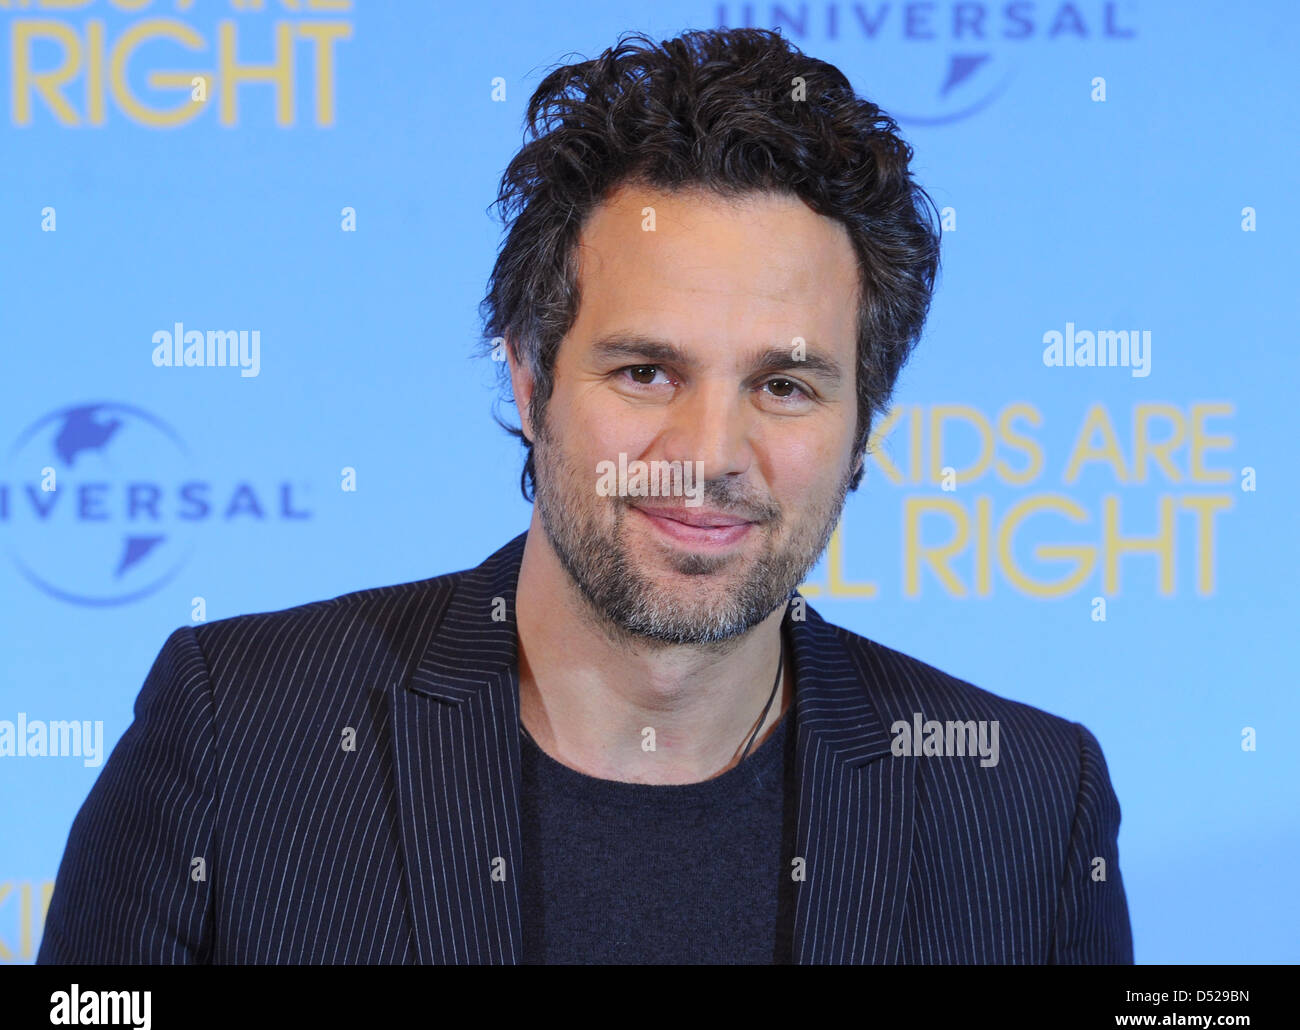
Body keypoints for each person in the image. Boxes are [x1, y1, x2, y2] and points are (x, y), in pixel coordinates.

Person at [38, 27, 1132, 965]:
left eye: (785, 385)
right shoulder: (240, 732)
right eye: (646, 371)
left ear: (862, 431)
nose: (708, 452)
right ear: (527, 379)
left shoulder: (1026, 803)